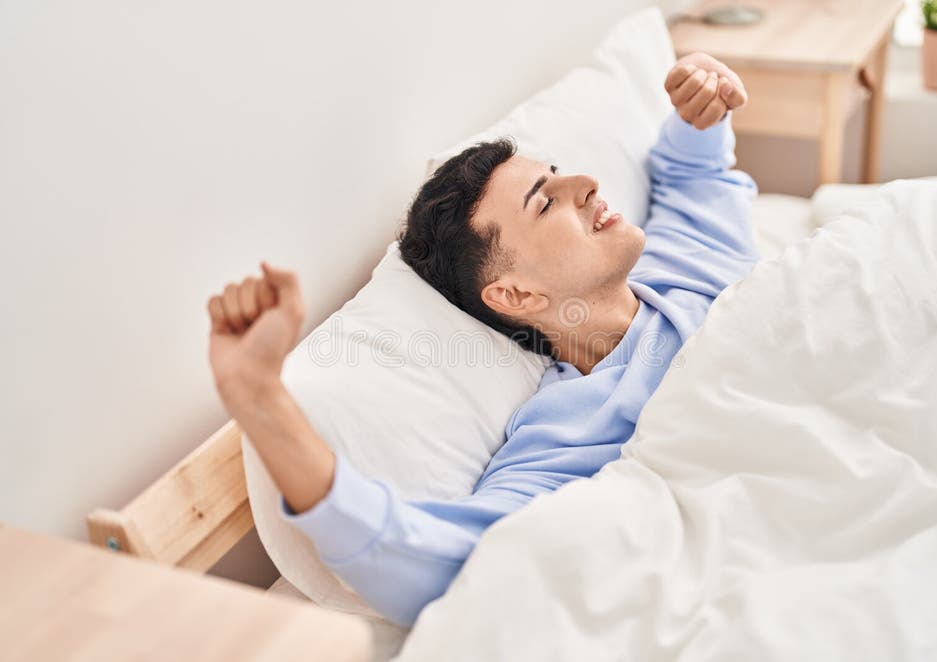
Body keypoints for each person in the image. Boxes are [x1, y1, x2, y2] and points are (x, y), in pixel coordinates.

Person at [207, 52, 758, 627]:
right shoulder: (564, 432)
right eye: (546, 202)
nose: (588, 182)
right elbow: (444, 561)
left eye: (559, 174)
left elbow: (695, 176)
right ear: (516, 296)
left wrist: (700, 104)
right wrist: (263, 402)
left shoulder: (686, 260)